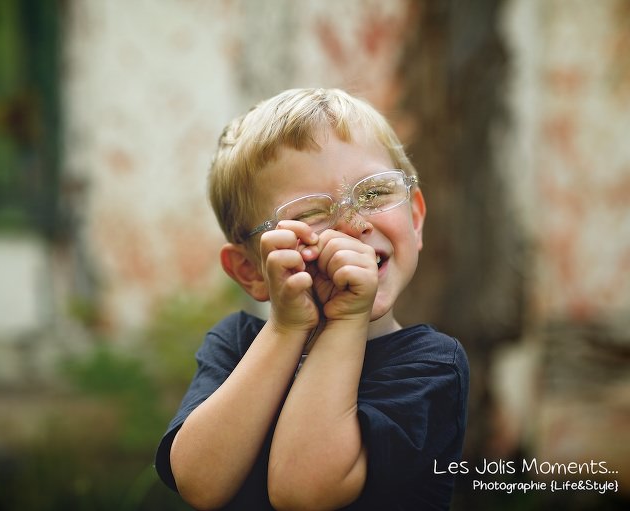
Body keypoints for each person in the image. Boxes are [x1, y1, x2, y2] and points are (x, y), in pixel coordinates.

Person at [155, 88, 469, 510]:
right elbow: (198, 482)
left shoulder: (431, 365)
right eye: (308, 214)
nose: (354, 223)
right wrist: (287, 327)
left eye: (374, 193)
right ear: (251, 270)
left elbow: (301, 492)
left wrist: (343, 322)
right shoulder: (235, 346)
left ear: (414, 219)